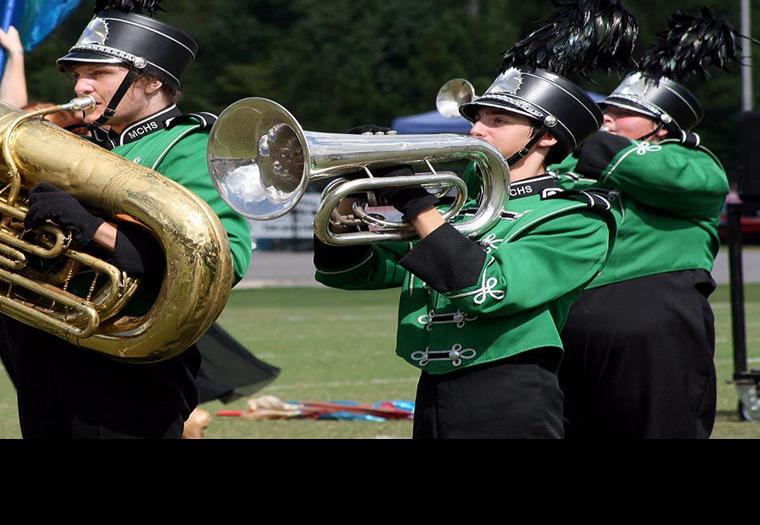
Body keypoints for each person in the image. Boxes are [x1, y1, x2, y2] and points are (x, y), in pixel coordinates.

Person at [313, 0, 636, 438]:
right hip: (435, 385)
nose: (476, 130)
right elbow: (356, 273)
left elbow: (487, 290)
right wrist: (348, 195)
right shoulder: (461, 206)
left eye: (497, 121)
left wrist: (415, 201)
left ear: (544, 136)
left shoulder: (575, 217)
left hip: (512, 392)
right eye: (478, 118)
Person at [0, 1, 253, 439]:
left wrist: (93, 228)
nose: (82, 85)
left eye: (98, 74)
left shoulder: (190, 148)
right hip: (43, 349)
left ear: (149, 81)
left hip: (126, 366)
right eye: (76, 76)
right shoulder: (74, 143)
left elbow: (225, 262)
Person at [552, 8, 743, 438]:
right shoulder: (578, 160)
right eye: (606, 109)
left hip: (653, 324)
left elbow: (661, 175)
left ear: (662, 126)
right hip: (567, 324)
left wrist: (573, 129)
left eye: (622, 111)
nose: (607, 118)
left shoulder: (693, 162)